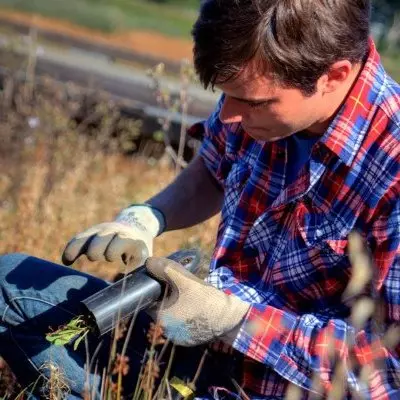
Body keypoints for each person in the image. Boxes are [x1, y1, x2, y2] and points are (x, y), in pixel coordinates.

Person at [0, 0, 399, 398]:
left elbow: (390, 369)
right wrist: (147, 218)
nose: (227, 116)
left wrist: (233, 320)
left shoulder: (392, 166)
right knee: (9, 286)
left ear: (334, 75)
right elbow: (214, 167)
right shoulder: (266, 95)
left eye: (252, 102)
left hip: (281, 384)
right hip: (199, 353)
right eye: (225, 95)